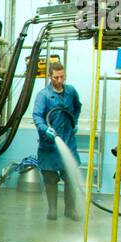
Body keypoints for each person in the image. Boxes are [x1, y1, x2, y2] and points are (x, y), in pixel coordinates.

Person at [32, 60, 82, 221]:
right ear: (49, 77)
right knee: (50, 178)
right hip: (49, 145)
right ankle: (52, 209)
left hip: (68, 141)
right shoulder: (44, 96)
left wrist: (74, 122)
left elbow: (77, 106)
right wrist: (44, 129)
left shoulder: (71, 92)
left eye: (62, 77)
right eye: (56, 77)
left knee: (70, 177)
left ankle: (70, 209)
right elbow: (37, 116)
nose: (59, 81)